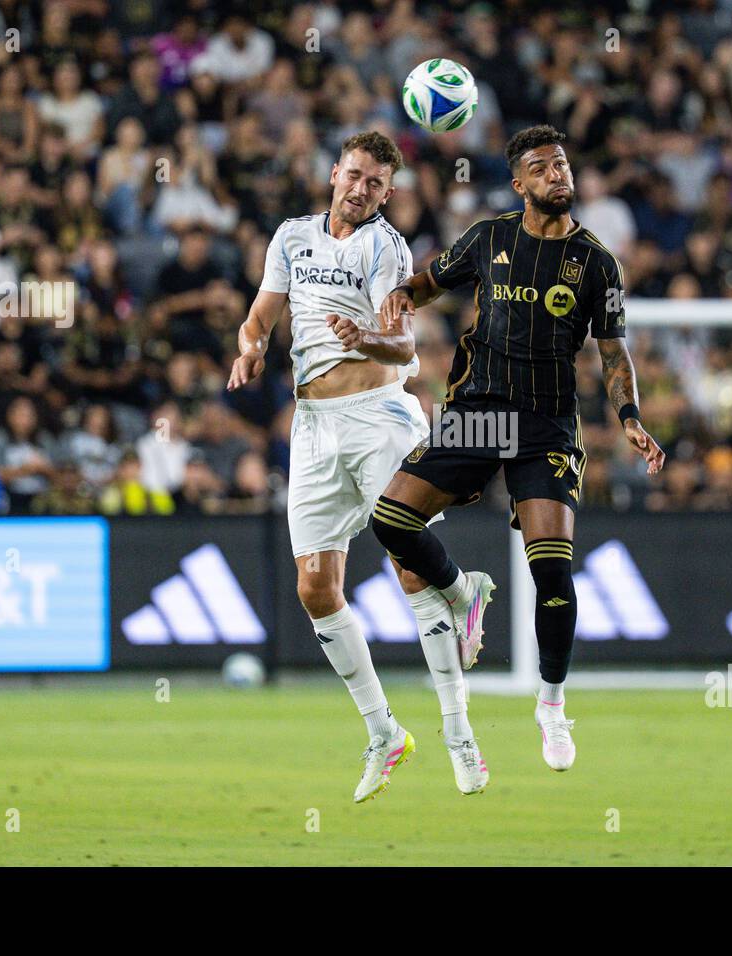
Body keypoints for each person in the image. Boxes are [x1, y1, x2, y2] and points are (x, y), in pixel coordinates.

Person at [372, 125, 665, 772]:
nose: (557, 174)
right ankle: (459, 590)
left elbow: (613, 349)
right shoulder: (490, 237)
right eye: (541, 167)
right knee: (390, 518)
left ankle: (553, 704)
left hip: (546, 428)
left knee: (553, 574)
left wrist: (629, 415)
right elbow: (432, 280)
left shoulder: (596, 262)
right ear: (520, 183)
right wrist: (399, 297)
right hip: (480, 413)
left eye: (562, 164)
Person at [227, 131, 489, 801]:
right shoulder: (290, 237)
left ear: (387, 193)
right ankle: (385, 733)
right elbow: (260, 315)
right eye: (354, 175)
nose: (361, 189)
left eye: (375, 183)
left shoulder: (385, 247)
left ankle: (460, 733)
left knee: (407, 568)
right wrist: (251, 347)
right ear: (334, 173)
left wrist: (363, 334)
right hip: (312, 426)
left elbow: (403, 345)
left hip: (378, 414)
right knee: (315, 587)